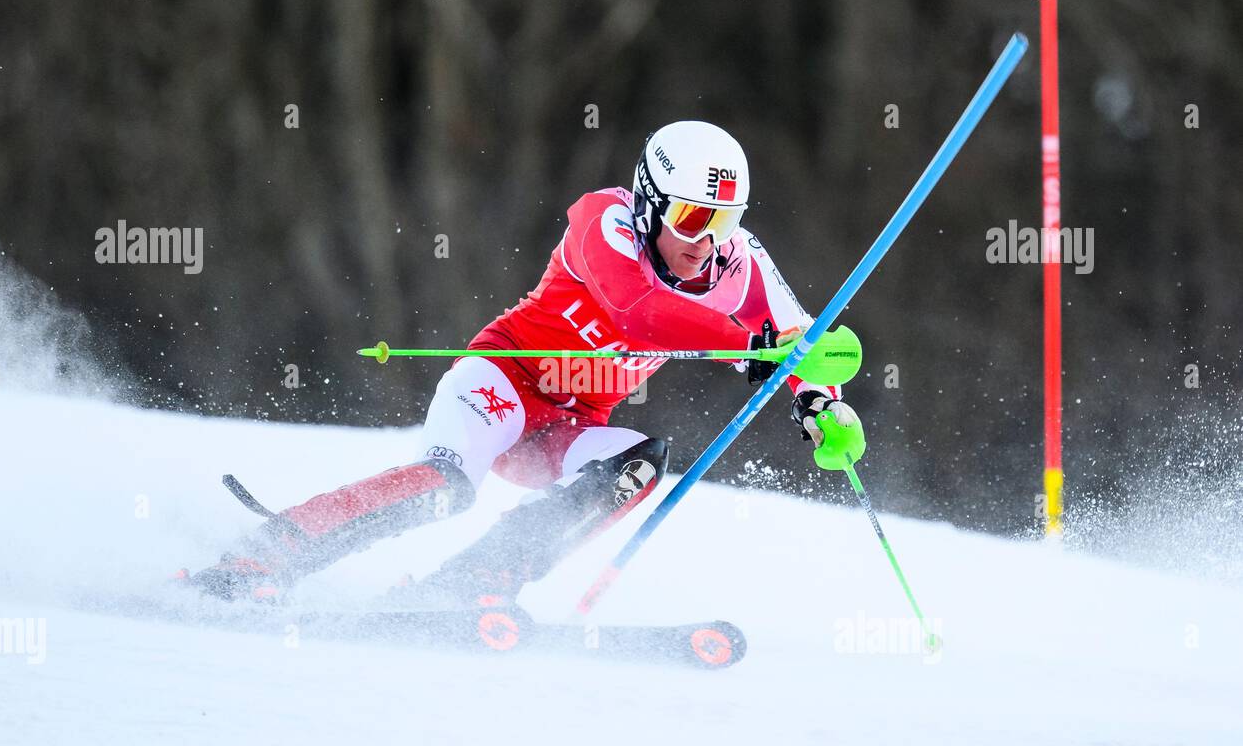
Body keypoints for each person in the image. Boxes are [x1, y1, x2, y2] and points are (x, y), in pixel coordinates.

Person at [183, 120, 865, 606]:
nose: (707, 242)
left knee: (638, 462)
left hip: (571, 423)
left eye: (725, 219)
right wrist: (747, 344)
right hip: (506, 383)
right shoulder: (606, 221)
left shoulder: (737, 263)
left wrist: (821, 402)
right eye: (690, 217)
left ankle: (475, 581)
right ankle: (263, 555)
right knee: (446, 488)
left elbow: (802, 336)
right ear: (652, 200)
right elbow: (637, 311)